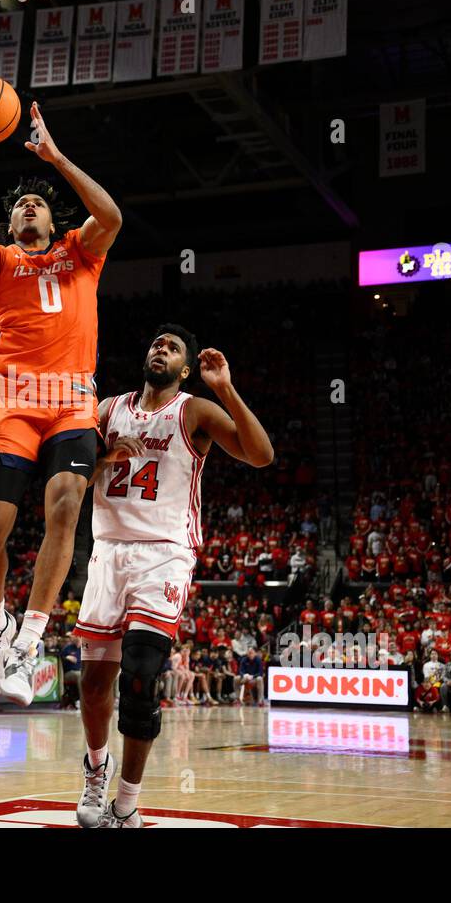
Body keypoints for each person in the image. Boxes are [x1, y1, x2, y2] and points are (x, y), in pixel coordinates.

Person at [0, 95, 123, 706]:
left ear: (52, 222)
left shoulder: (81, 253)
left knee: (67, 501)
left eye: (40, 204)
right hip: (17, 402)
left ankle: (30, 640)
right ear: (14, 225)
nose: (30, 206)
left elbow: (113, 216)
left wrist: (54, 157)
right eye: (22, 204)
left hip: (73, 403)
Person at [72, 327, 274, 827]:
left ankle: (126, 802)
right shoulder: (105, 410)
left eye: (173, 348)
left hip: (164, 553)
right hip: (107, 551)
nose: (160, 349)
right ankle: (96, 771)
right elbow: (71, 475)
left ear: (185, 369)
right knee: (94, 684)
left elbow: (260, 454)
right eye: (156, 343)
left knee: (140, 677)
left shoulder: (194, 410)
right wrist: (104, 458)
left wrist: (224, 387)